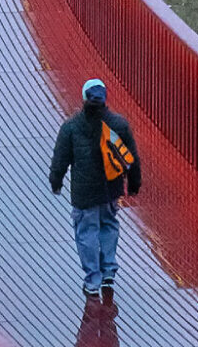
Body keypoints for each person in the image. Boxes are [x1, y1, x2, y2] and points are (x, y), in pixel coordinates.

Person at [49, 77, 142, 303]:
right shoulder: (118, 124)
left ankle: (92, 279)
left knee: (86, 233)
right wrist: (134, 182)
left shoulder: (71, 127)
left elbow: (61, 159)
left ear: (84, 98)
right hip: (111, 190)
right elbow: (131, 158)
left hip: (83, 194)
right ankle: (109, 272)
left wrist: (56, 181)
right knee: (109, 225)